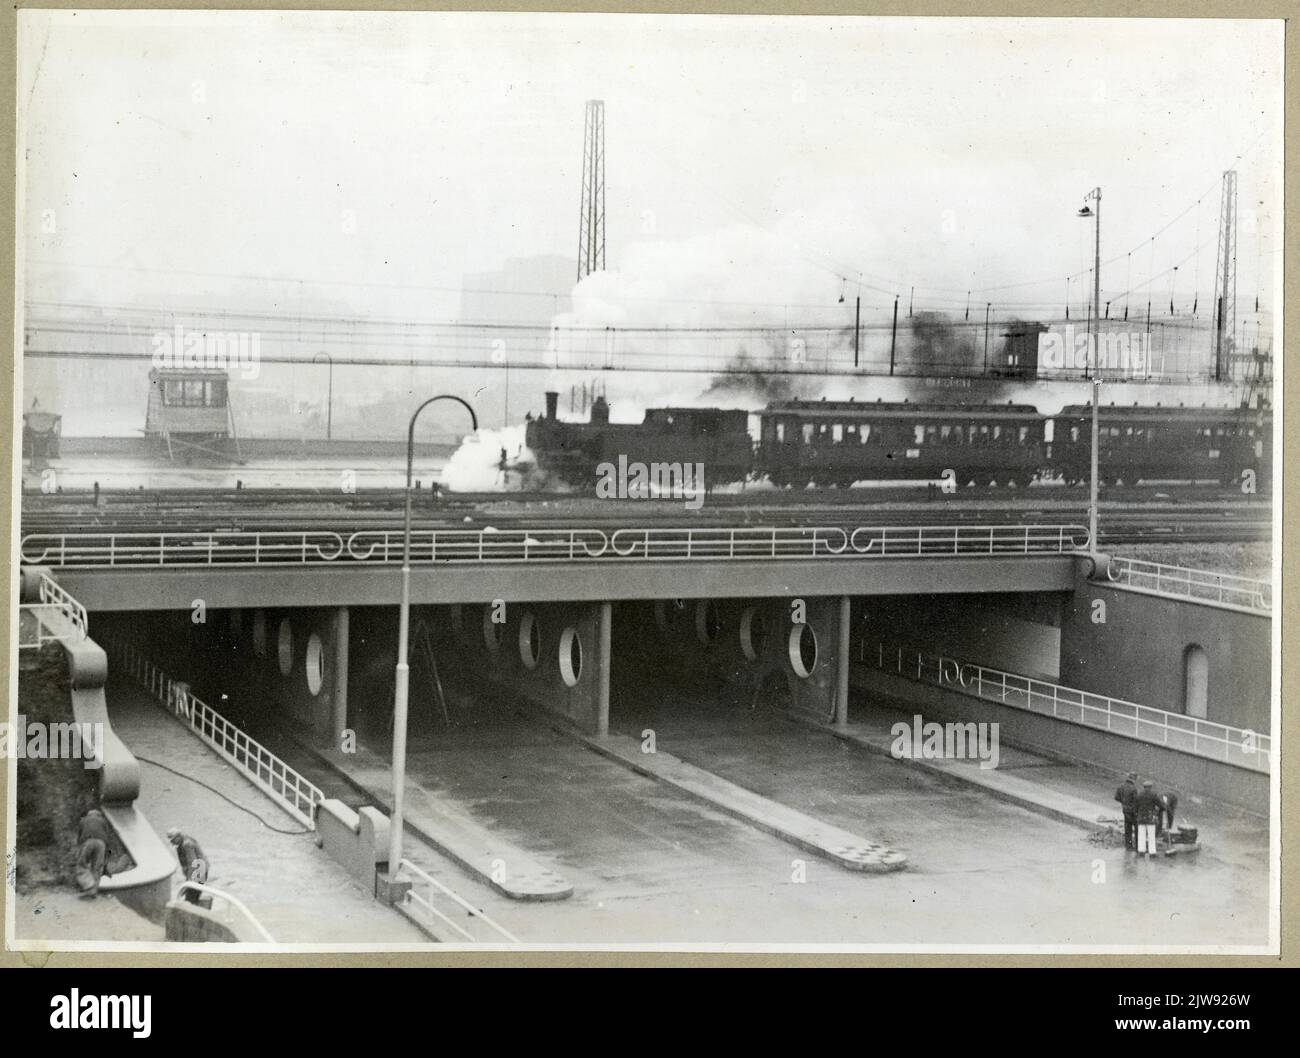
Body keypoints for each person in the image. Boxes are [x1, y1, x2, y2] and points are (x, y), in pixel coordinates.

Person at [74, 808, 113, 896]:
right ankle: (93, 891)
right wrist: (107, 852)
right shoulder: (103, 821)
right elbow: (108, 836)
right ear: (98, 815)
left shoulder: (83, 820)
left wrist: (79, 849)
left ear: (89, 815)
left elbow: (79, 836)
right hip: (101, 843)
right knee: (97, 867)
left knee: (81, 864)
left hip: (88, 841)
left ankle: (88, 884)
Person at [166, 828, 209, 904]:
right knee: (192, 895)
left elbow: (192, 864)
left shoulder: (187, 844)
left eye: (173, 840)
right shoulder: (183, 842)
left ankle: (194, 909)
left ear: (178, 837)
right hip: (199, 871)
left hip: (199, 872)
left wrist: (189, 882)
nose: (172, 842)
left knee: (190, 898)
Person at [1134, 779, 1162, 858]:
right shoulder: (1153, 794)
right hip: (1150, 817)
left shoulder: (1139, 794)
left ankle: (1141, 851)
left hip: (1141, 818)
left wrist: (1136, 814)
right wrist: (1162, 807)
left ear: (1144, 787)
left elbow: (1135, 806)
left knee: (1141, 835)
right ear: (1150, 787)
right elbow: (1159, 804)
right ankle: (1152, 853)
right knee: (1151, 835)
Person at [1114, 773, 1138, 850]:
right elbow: (1136, 800)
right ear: (1134, 779)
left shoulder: (1121, 786)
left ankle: (1128, 845)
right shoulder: (1133, 788)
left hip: (1125, 810)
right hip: (1133, 811)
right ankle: (1137, 846)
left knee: (1128, 828)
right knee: (1137, 828)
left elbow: (1116, 797)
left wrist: (1124, 802)